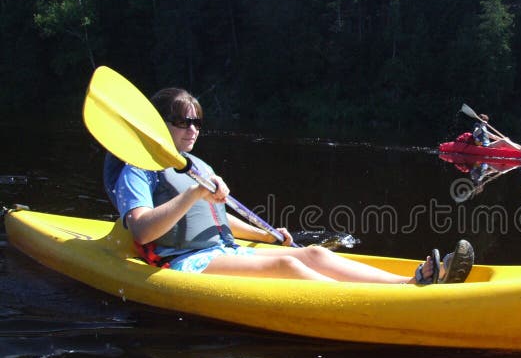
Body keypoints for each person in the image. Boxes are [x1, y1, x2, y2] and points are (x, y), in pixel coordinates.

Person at [104, 87, 473, 285]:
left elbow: (215, 219)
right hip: (182, 263)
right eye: (184, 122)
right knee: (287, 266)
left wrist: (264, 235)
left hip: (223, 250)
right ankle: (397, 301)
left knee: (313, 254)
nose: (193, 130)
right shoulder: (139, 169)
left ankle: (408, 284)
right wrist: (192, 192)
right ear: (159, 124)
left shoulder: (198, 166)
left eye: (198, 123)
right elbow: (141, 227)